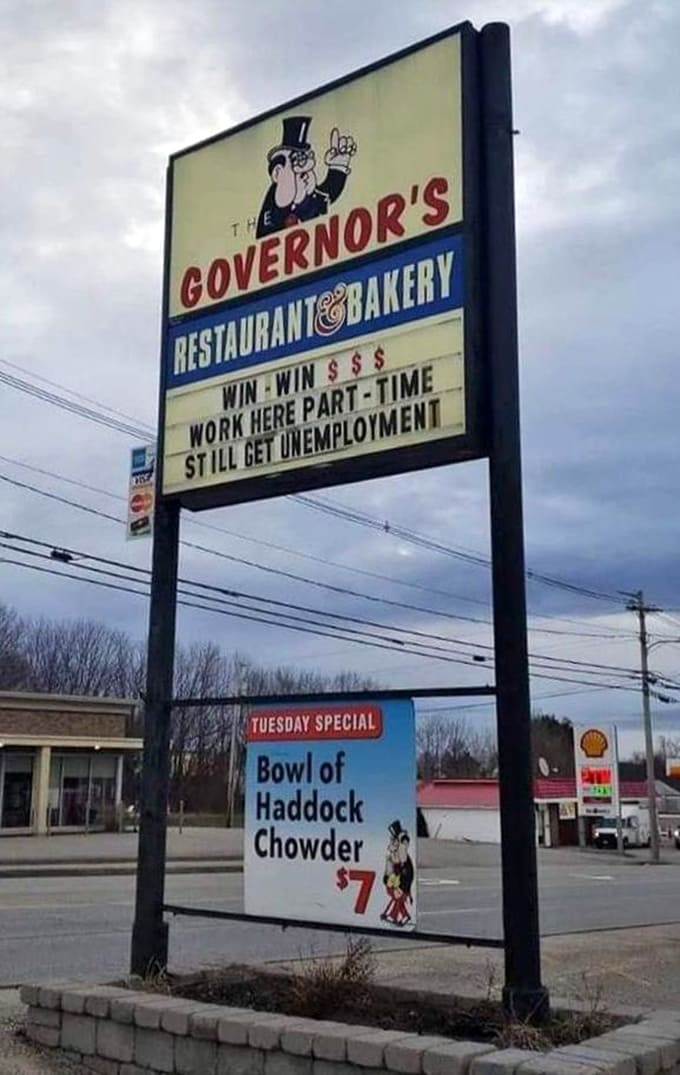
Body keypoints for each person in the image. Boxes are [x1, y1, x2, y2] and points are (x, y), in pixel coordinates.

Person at [256, 115, 357, 238]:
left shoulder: (310, 199)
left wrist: (338, 165)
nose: (306, 169)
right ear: (277, 173)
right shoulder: (272, 208)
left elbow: (327, 193)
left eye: (308, 157)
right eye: (298, 160)